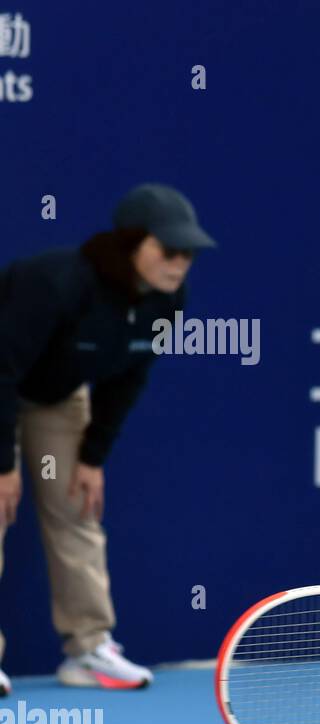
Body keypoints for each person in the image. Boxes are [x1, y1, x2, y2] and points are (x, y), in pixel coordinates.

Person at [0, 183, 216, 695]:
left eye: (188, 252)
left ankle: (87, 650)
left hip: (58, 396)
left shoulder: (169, 299)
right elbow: (1, 370)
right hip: (2, 383)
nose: (180, 262)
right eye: (168, 249)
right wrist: (3, 463)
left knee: (77, 506)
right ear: (130, 244)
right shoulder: (56, 283)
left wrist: (93, 456)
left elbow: (127, 379)